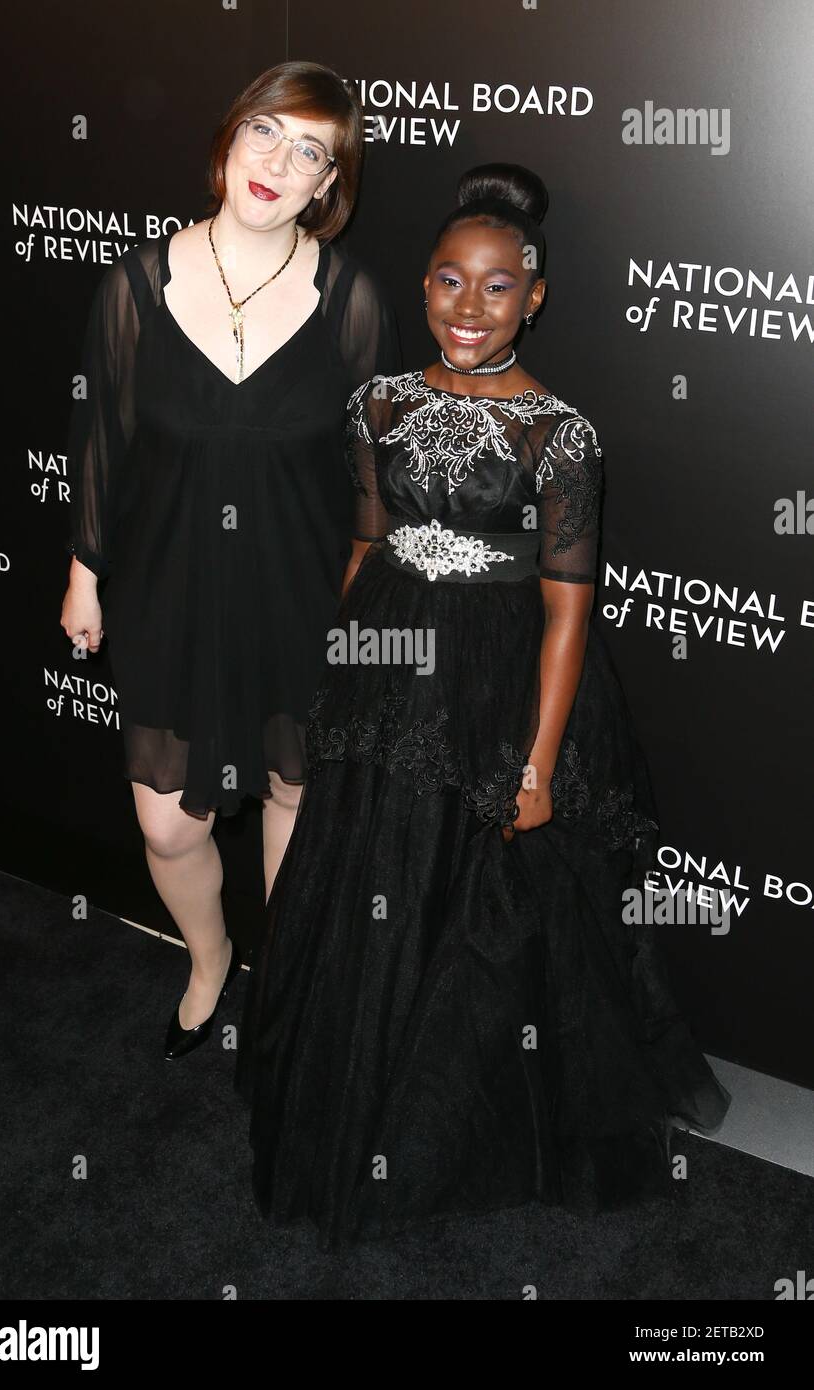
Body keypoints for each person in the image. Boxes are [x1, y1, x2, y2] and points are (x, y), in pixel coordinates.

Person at [234, 163, 731, 1249]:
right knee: (370, 891)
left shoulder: (563, 437)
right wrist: (339, 670)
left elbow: (566, 616)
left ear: (533, 297)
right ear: (421, 286)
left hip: (500, 687)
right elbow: (363, 549)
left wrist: (540, 764)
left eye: (495, 287)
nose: (468, 308)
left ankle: (454, 1130)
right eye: (449, 282)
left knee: (477, 914)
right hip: (384, 678)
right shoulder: (375, 403)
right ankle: (352, 1110)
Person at [59, 61, 400, 1059]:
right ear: (228, 139)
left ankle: (286, 979)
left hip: (302, 598)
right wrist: (84, 572)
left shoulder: (350, 300)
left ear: (327, 186)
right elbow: (101, 444)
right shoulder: (132, 286)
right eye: (265, 132)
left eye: (310, 153)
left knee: (293, 797)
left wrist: (365, 603)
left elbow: (371, 476)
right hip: (169, 591)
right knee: (170, 827)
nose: (278, 163)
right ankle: (209, 960)